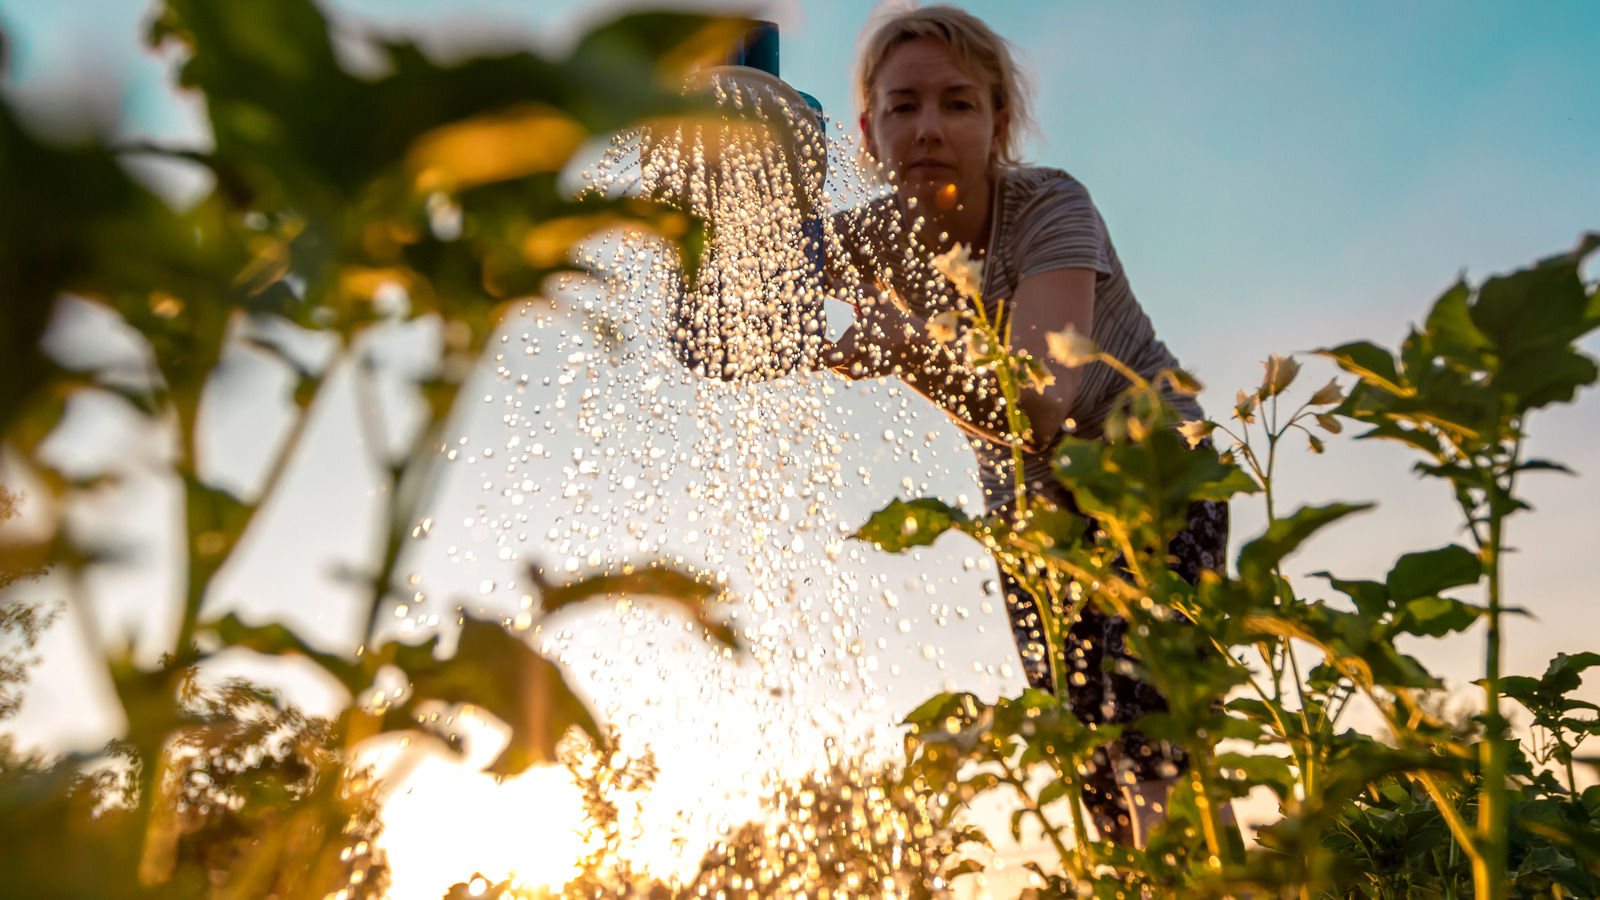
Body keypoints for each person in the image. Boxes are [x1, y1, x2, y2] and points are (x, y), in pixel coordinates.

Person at [822, 4, 1230, 849]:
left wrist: (908, 352)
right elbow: (747, 290)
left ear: (999, 120)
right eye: (903, 107)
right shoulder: (873, 239)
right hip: (1037, 525)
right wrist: (725, 165)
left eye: (958, 103)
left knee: (1157, 740)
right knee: (1094, 761)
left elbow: (1042, 405)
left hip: (1154, 474)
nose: (928, 129)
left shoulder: (1050, 206)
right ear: (868, 129)